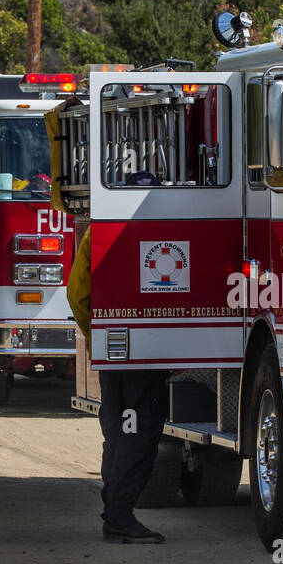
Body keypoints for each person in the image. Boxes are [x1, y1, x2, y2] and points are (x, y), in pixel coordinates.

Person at [67, 224, 168, 544]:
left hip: (112, 348)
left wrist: (97, 334)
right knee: (138, 435)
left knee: (117, 432)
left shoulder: (98, 231)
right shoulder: (164, 231)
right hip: (148, 353)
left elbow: (77, 293)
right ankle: (119, 518)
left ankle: (115, 512)